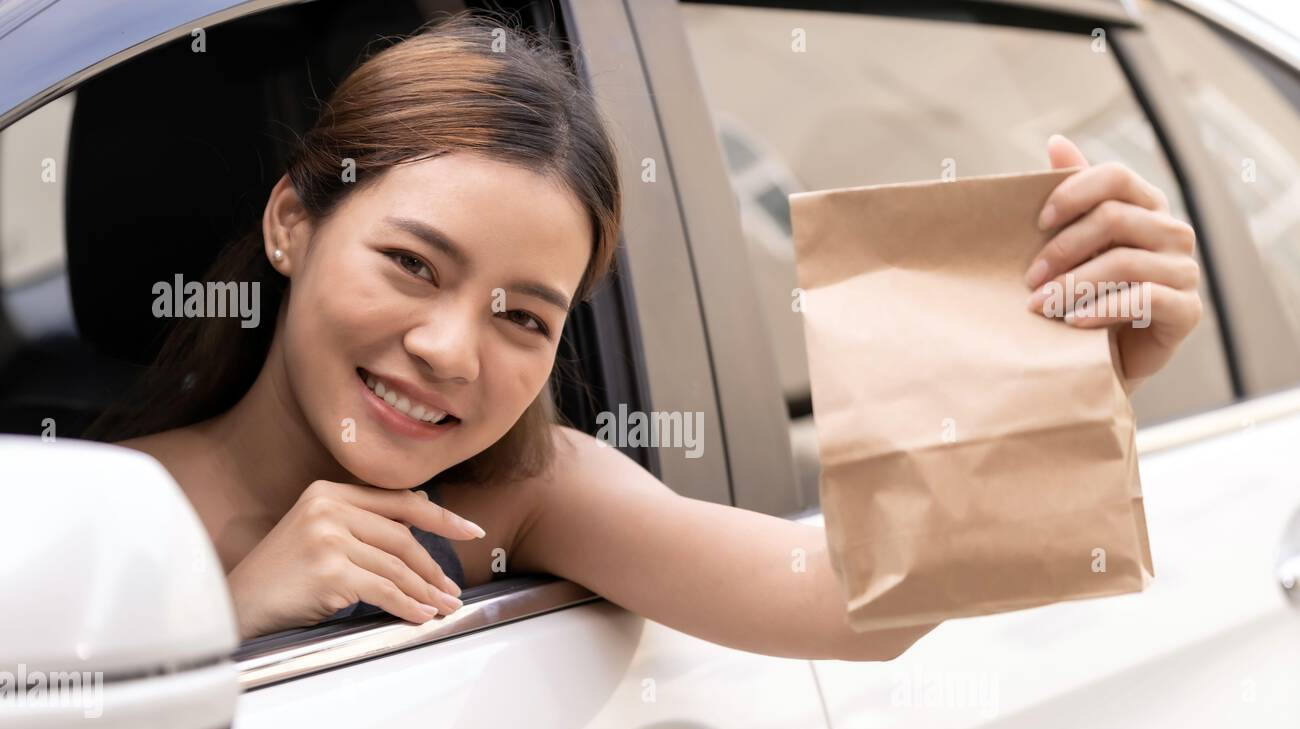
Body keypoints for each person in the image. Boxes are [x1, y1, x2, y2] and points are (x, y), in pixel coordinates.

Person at [95, 10, 1204, 658]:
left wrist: (1075, 373)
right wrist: (227, 617)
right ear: (293, 221)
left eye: (524, 315)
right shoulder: (76, 507)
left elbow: (854, 598)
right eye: (410, 263)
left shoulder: (523, 489)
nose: (448, 348)